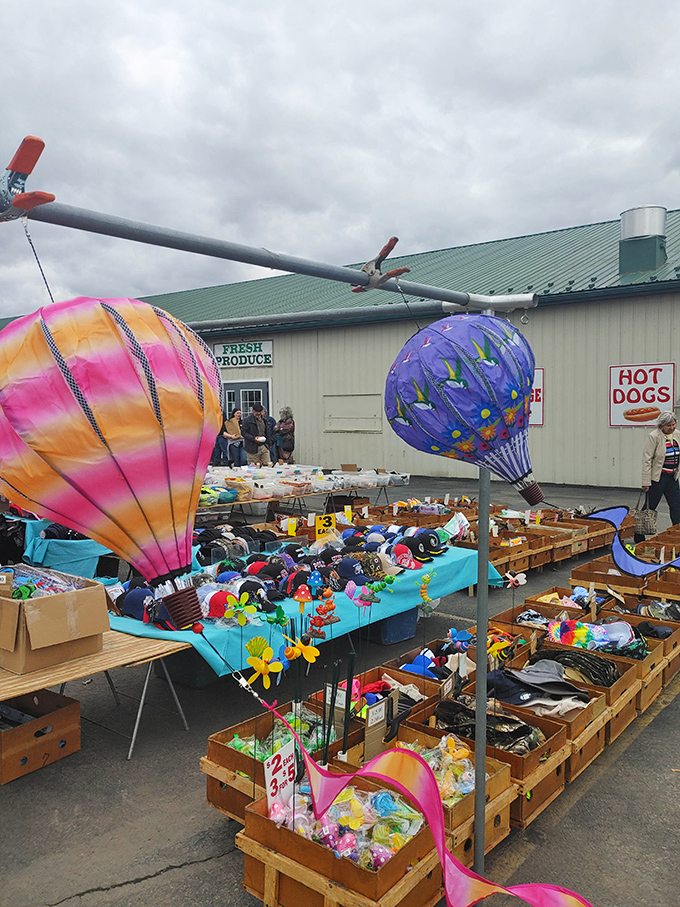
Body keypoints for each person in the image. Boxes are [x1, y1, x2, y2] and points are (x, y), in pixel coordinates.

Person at [638, 410, 680, 540]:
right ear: (661, 425)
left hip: (672, 477)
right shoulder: (654, 436)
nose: (672, 427)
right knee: (650, 507)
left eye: (673, 424)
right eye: (669, 425)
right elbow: (647, 460)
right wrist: (646, 481)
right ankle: (639, 533)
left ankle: (676, 531)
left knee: (676, 505)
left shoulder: (677, 434)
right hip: (658, 477)